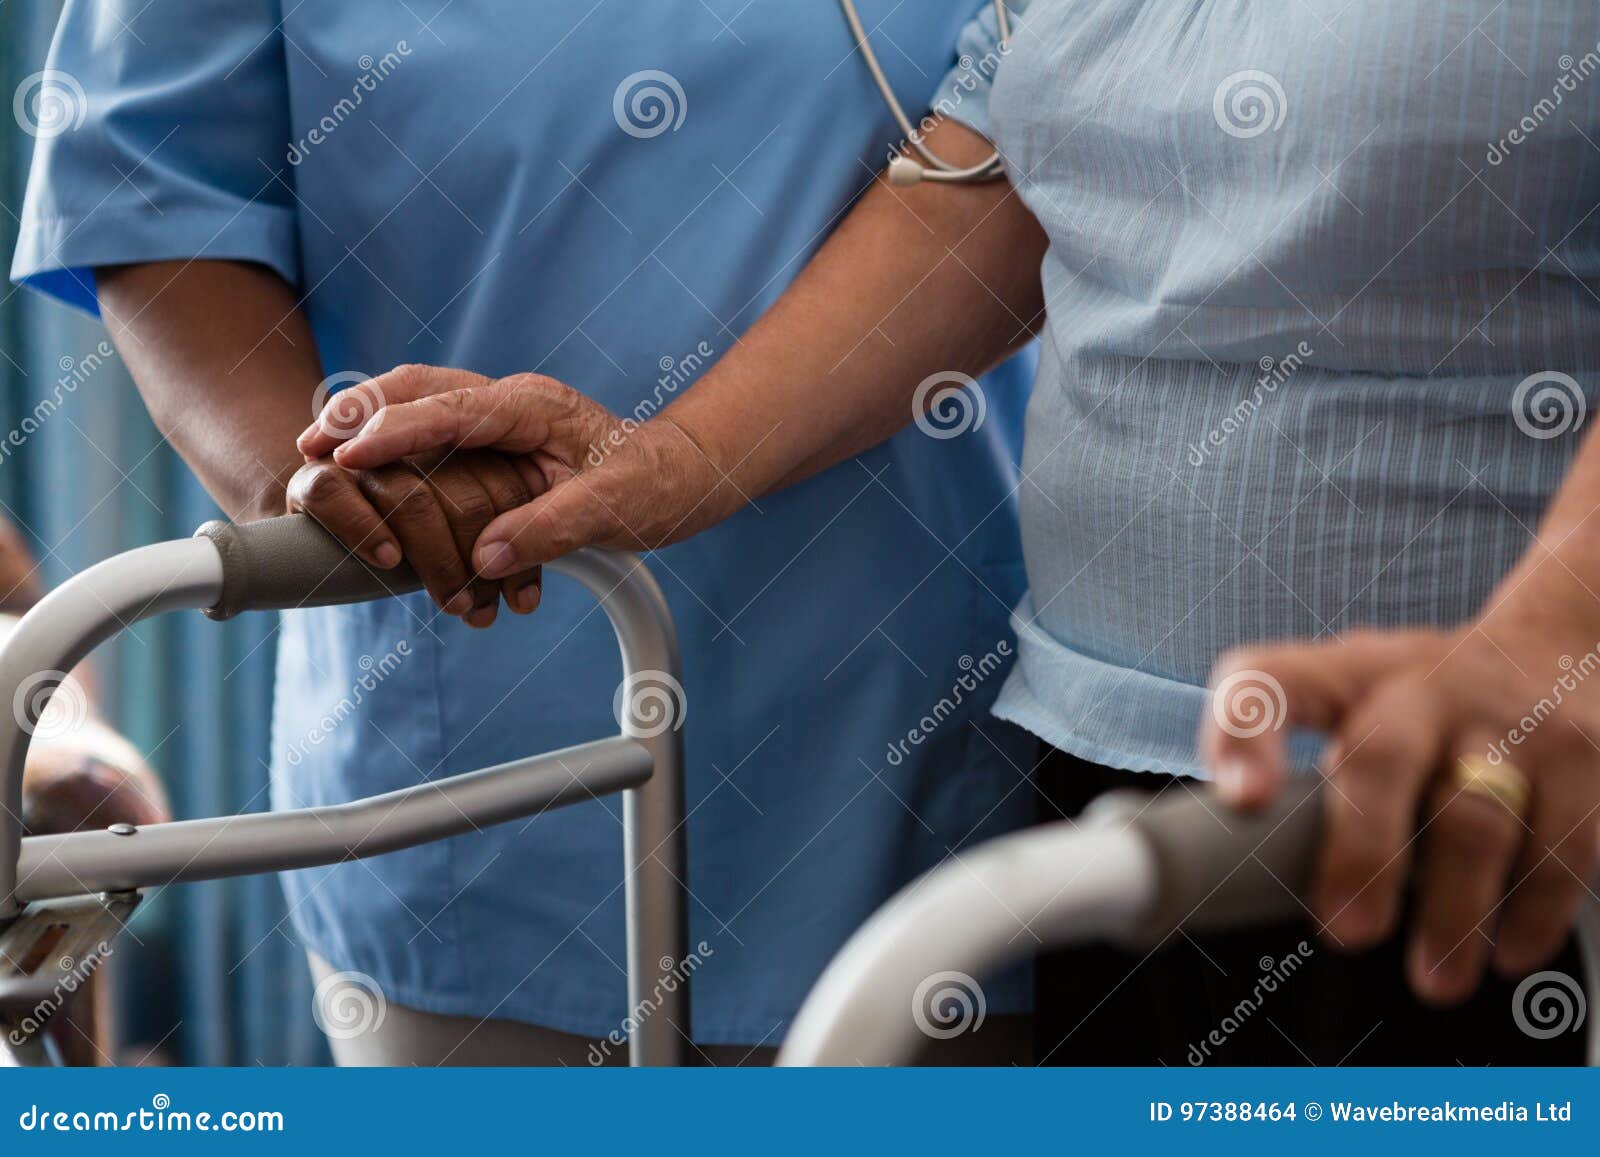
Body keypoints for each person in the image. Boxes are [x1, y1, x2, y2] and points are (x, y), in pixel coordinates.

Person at [302, 1, 1600, 1065]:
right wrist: (662, 460)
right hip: (1110, 784)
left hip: (1475, 787)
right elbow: (984, 186)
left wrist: (1557, 627)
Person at [11, 2, 1043, 1063]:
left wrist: (679, 460)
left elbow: (1033, 151)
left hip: (917, 727)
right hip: (473, 762)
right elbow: (155, 188)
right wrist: (334, 484)